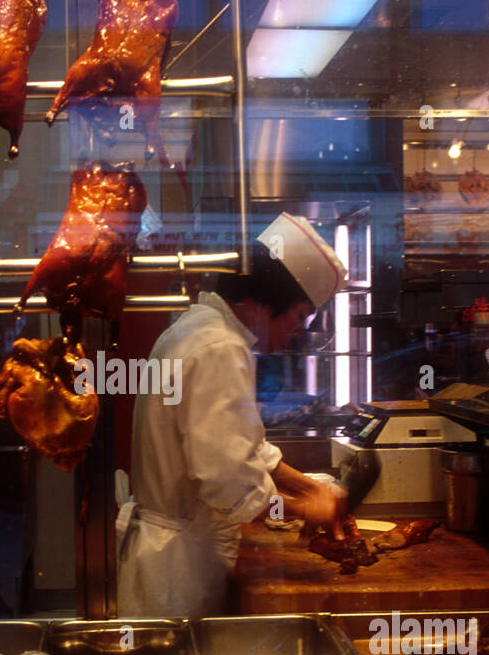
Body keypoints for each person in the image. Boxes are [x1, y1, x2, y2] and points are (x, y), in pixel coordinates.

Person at [116, 213, 347, 617]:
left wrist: (309, 489)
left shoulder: (199, 329)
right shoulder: (220, 348)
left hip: (172, 551)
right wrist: (301, 510)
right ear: (264, 302)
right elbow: (228, 484)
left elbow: (242, 447)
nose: (296, 332)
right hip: (179, 567)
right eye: (298, 316)